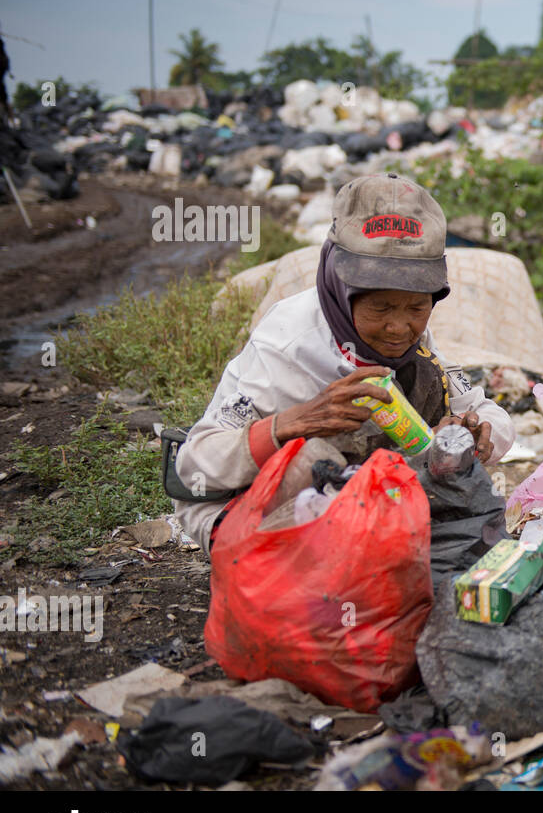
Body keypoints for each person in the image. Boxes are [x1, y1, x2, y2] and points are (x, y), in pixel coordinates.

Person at [173, 173, 515, 555]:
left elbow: (489, 416)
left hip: (356, 497)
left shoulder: (413, 347)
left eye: (417, 307)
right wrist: (293, 423)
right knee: (314, 462)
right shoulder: (288, 344)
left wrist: (472, 437)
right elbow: (193, 466)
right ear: (340, 287)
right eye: (381, 307)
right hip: (247, 512)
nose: (399, 327)